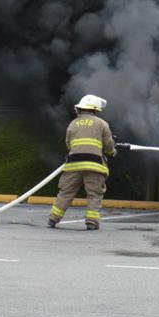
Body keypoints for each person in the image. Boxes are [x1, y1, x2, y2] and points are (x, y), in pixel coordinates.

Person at [48, 94, 116, 230]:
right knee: (94, 193)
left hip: (74, 164)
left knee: (66, 192)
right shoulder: (102, 123)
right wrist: (113, 151)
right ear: (96, 110)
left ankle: (53, 219)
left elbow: (68, 144)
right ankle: (91, 221)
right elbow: (108, 145)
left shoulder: (73, 124)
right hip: (94, 165)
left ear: (80, 109)